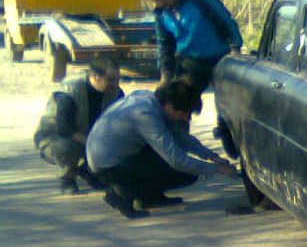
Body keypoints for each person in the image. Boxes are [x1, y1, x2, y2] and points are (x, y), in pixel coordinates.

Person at [86, 79, 237, 219]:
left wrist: (212, 156)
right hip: (107, 168)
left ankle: (150, 198)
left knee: (173, 156)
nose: (187, 119)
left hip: (111, 158)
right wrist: (217, 169)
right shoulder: (145, 115)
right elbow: (177, 161)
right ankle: (121, 193)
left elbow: (181, 137)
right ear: (170, 106)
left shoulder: (152, 100)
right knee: (184, 172)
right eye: (186, 113)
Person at [33, 57, 124, 194]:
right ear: (94, 76)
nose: (115, 84)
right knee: (67, 149)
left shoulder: (116, 93)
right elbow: (64, 128)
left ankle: (88, 171)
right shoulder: (71, 89)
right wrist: (93, 145)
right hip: (54, 136)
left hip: (86, 136)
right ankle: (67, 179)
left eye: (117, 79)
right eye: (111, 80)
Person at [142, 0, 243, 94]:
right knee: (180, 98)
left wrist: (235, 49)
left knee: (228, 99)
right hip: (190, 62)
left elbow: (225, 20)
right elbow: (164, 45)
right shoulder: (161, 14)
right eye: (156, 0)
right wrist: (165, 76)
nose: (161, 2)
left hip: (219, 57)